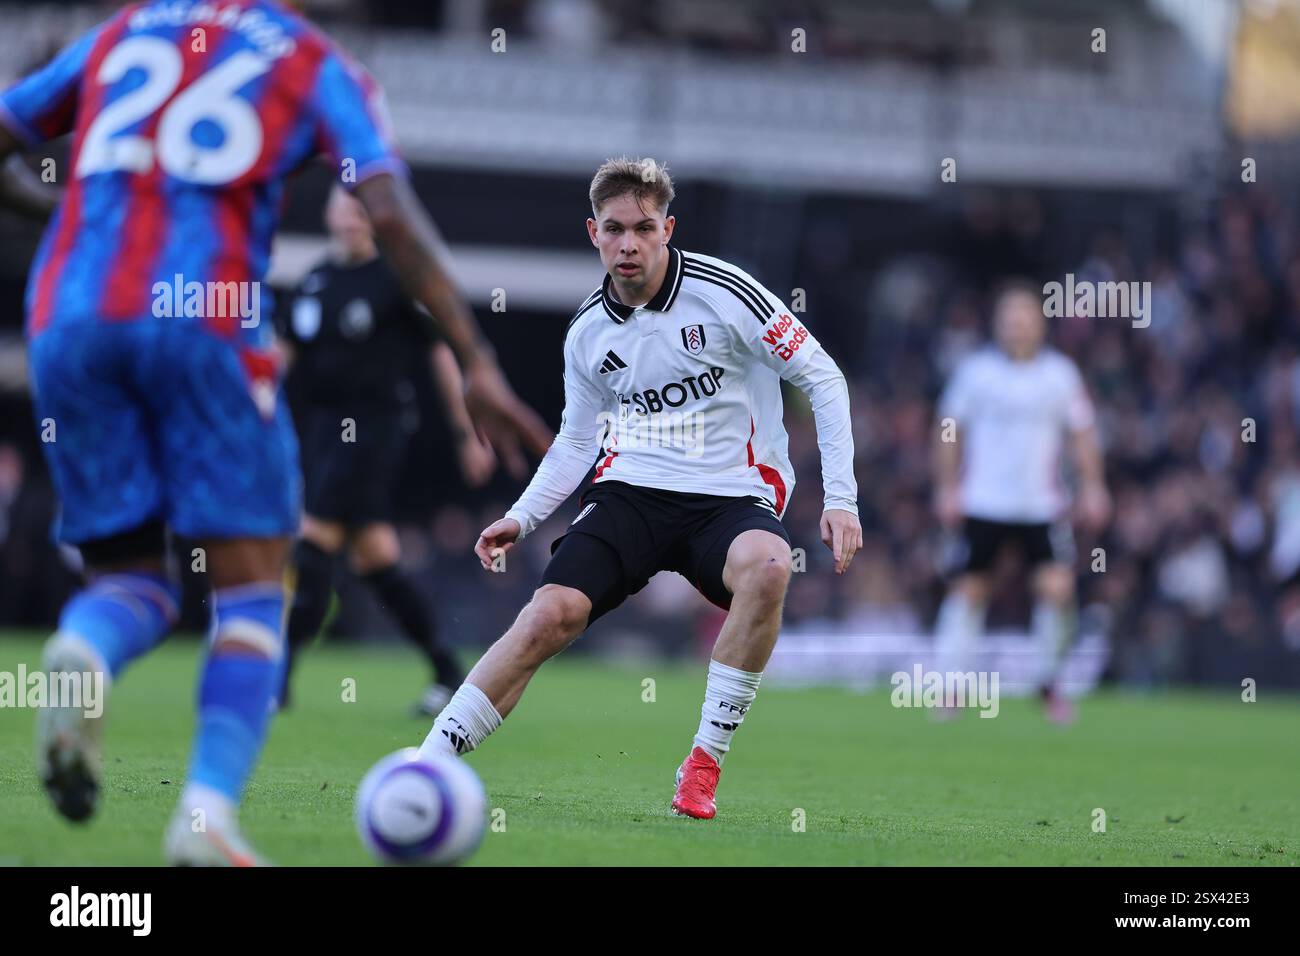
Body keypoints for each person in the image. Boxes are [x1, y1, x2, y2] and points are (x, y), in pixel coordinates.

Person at [0, 0, 549, 865]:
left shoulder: (119, 32)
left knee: (130, 580)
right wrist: (476, 356)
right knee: (254, 590)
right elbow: (393, 212)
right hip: (202, 319)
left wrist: (62, 216)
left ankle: (85, 648)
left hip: (67, 318)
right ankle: (204, 817)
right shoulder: (311, 60)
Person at [416, 157, 862, 820]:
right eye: (615, 229)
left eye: (644, 228)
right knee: (547, 617)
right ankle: (425, 766)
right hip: (631, 491)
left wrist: (842, 498)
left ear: (667, 229)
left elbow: (822, 377)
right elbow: (576, 440)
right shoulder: (587, 333)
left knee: (769, 569)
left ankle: (703, 764)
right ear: (593, 232)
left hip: (731, 497)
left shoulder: (727, 293)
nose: (629, 243)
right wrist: (524, 516)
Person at [278, 186, 496, 715]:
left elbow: (441, 351)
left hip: (376, 427)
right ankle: (448, 672)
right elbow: (282, 354)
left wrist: (468, 430)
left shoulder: (395, 277)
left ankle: (275, 681)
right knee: (374, 554)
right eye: (343, 207)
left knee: (317, 534)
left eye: (361, 209)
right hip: (325, 431)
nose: (351, 218)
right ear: (329, 212)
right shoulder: (314, 280)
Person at [932, 280, 1111, 723]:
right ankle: (950, 687)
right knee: (970, 589)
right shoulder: (976, 373)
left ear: (1039, 324)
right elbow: (948, 430)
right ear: (998, 324)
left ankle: (1048, 685)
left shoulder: (1060, 375)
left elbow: (1082, 434)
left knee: (1057, 588)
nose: (1017, 325)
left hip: (1041, 505)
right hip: (983, 501)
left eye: (1025, 317)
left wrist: (1093, 485)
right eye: (1010, 318)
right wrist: (946, 486)